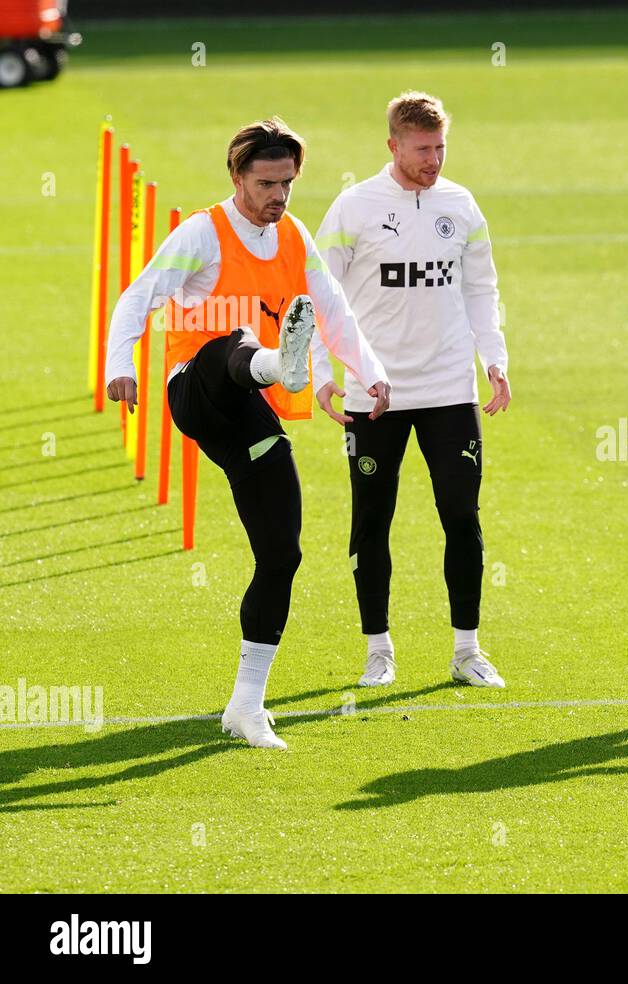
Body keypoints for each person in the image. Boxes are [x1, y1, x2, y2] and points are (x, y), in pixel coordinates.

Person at [106, 117, 390, 749]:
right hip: (197, 389)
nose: (278, 195)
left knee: (282, 552)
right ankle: (273, 362)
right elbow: (138, 295)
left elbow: (337, 313)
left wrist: (370, 376)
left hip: (246, 417)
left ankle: (245, 706)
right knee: (233, 346)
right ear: (236, 176)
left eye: (286, 182)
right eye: (265, 182)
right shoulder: (203, 233)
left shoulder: (293, 238)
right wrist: (119, 365)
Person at [315, 92, 510, 690]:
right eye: (423, 149)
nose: (434, 160)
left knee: (461, 515)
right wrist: (326, 374)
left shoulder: (461, 204)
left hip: (450, 387)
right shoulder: (355, 207)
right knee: (372, 521)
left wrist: (494, 358)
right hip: (376, 391)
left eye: (441, 147)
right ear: (393, 145)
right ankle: (378, 650)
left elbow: (481, 288)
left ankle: (467, 651)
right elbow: (321, 294)